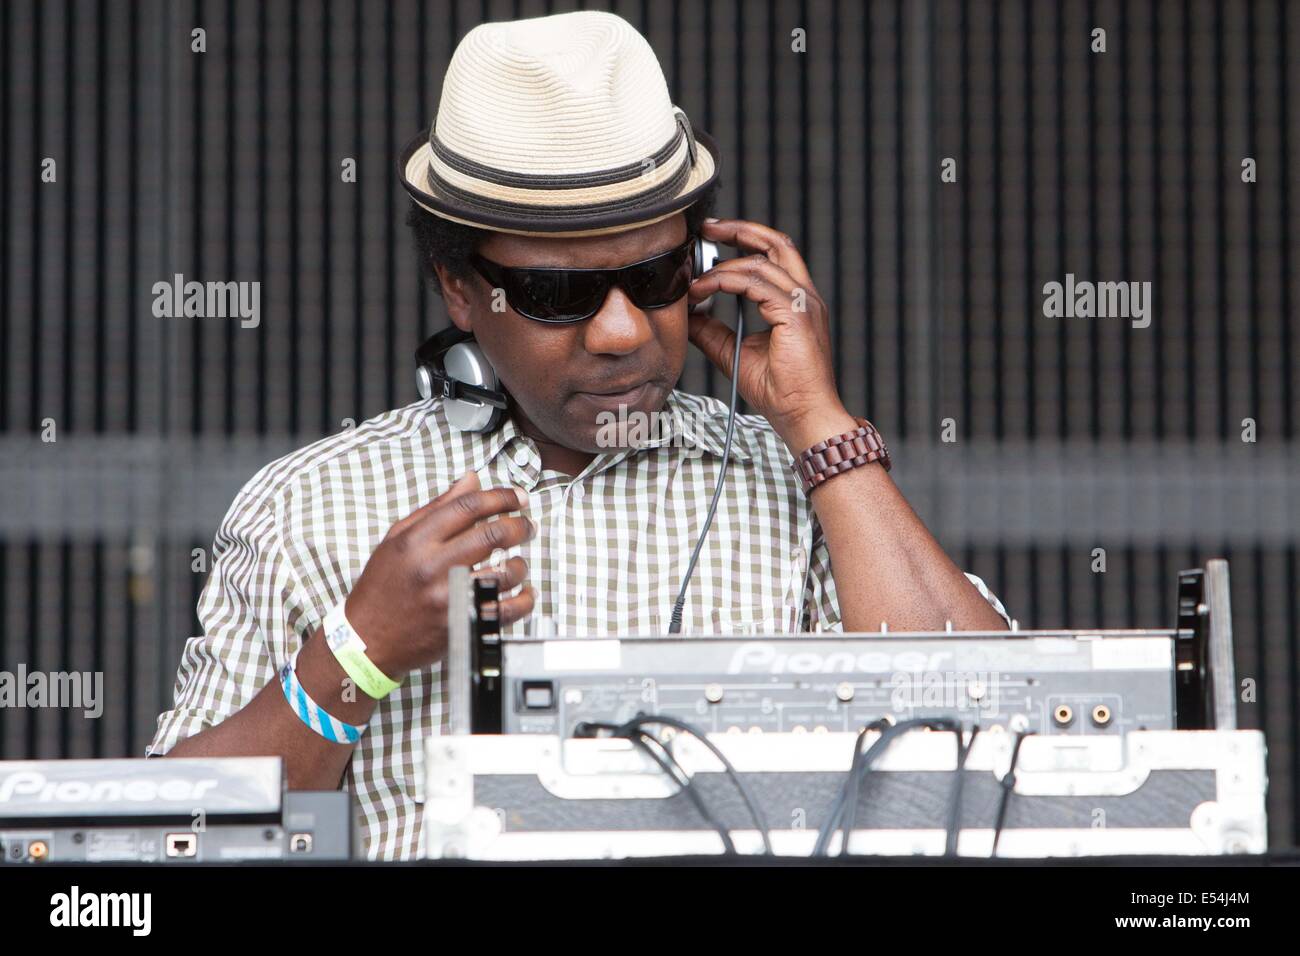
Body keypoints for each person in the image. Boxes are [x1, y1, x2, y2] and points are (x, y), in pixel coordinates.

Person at [150, 10, 1008, 860]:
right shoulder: (312, 507)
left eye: (655, 276)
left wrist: (818, 422)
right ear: (458, 289)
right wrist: (358, 651)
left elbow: (1000, 744)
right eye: (560, 295)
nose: (622, 332)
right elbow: (166, 844)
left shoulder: (798, 484)